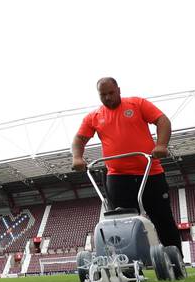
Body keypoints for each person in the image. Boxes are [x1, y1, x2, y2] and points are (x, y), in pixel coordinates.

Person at [70, 77, 181, 249]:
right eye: (103, 94)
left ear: (119, 90)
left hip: (150, 172)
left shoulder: (137, 104)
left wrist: (161, 145)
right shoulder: (94, 117)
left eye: (111, 93)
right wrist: (77, 157)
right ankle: (129, 267)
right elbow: (79, 139)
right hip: (118, 177)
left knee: (163, 218)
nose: (108, 97)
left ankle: (176, 263)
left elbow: (162, 120)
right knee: (121, 224)